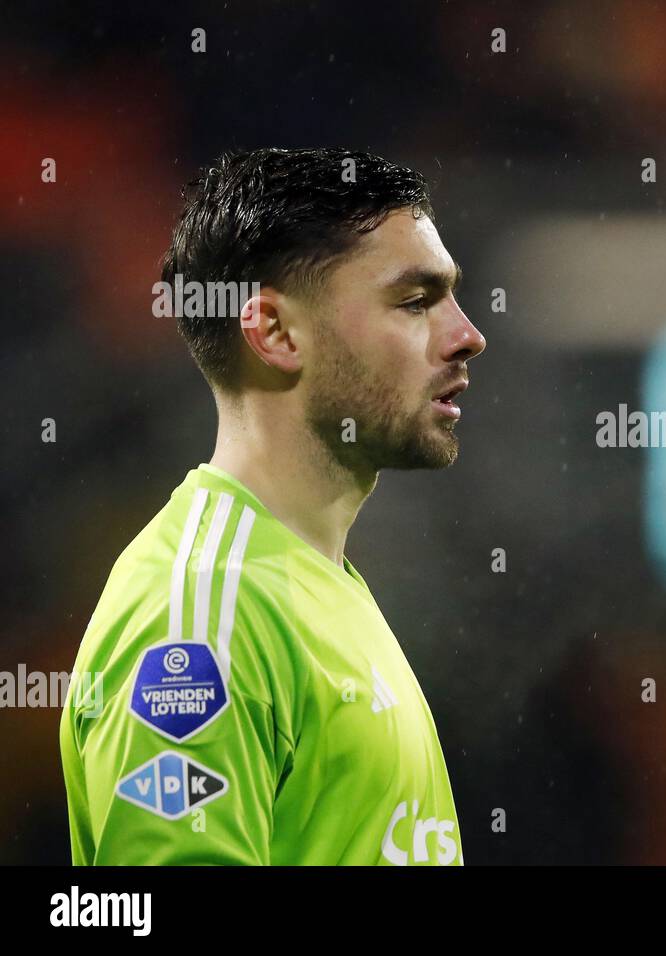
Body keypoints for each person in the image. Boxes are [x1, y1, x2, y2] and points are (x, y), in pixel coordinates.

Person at [59, 147, 486, 864]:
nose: (467, 335)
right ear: (277, 334)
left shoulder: (315, 582)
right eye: (416, 302)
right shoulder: (199, 619)